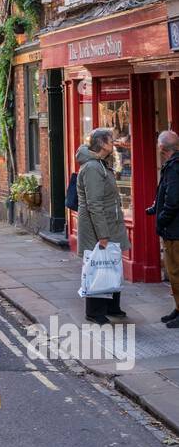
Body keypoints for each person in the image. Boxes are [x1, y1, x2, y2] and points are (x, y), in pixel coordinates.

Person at [76, 128, 130, 323]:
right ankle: (94, 312)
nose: (114, 142)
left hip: (109, 222)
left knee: (112, 264)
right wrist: (103, 234)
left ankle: (112, 306)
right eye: (111, 140)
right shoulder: (92, 168)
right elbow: (94, 204)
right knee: (97, 266)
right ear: (102, 144)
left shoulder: (100, 163)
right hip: (97, 227)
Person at [148, 129, 179, 328]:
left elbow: (173, 199)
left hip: (175, 231)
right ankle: (177, 308)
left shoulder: (174, 167)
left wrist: (161, 218)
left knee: (175, 272)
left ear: (162, 148)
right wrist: (155, 208)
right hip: (174, 228)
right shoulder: (173, 165)